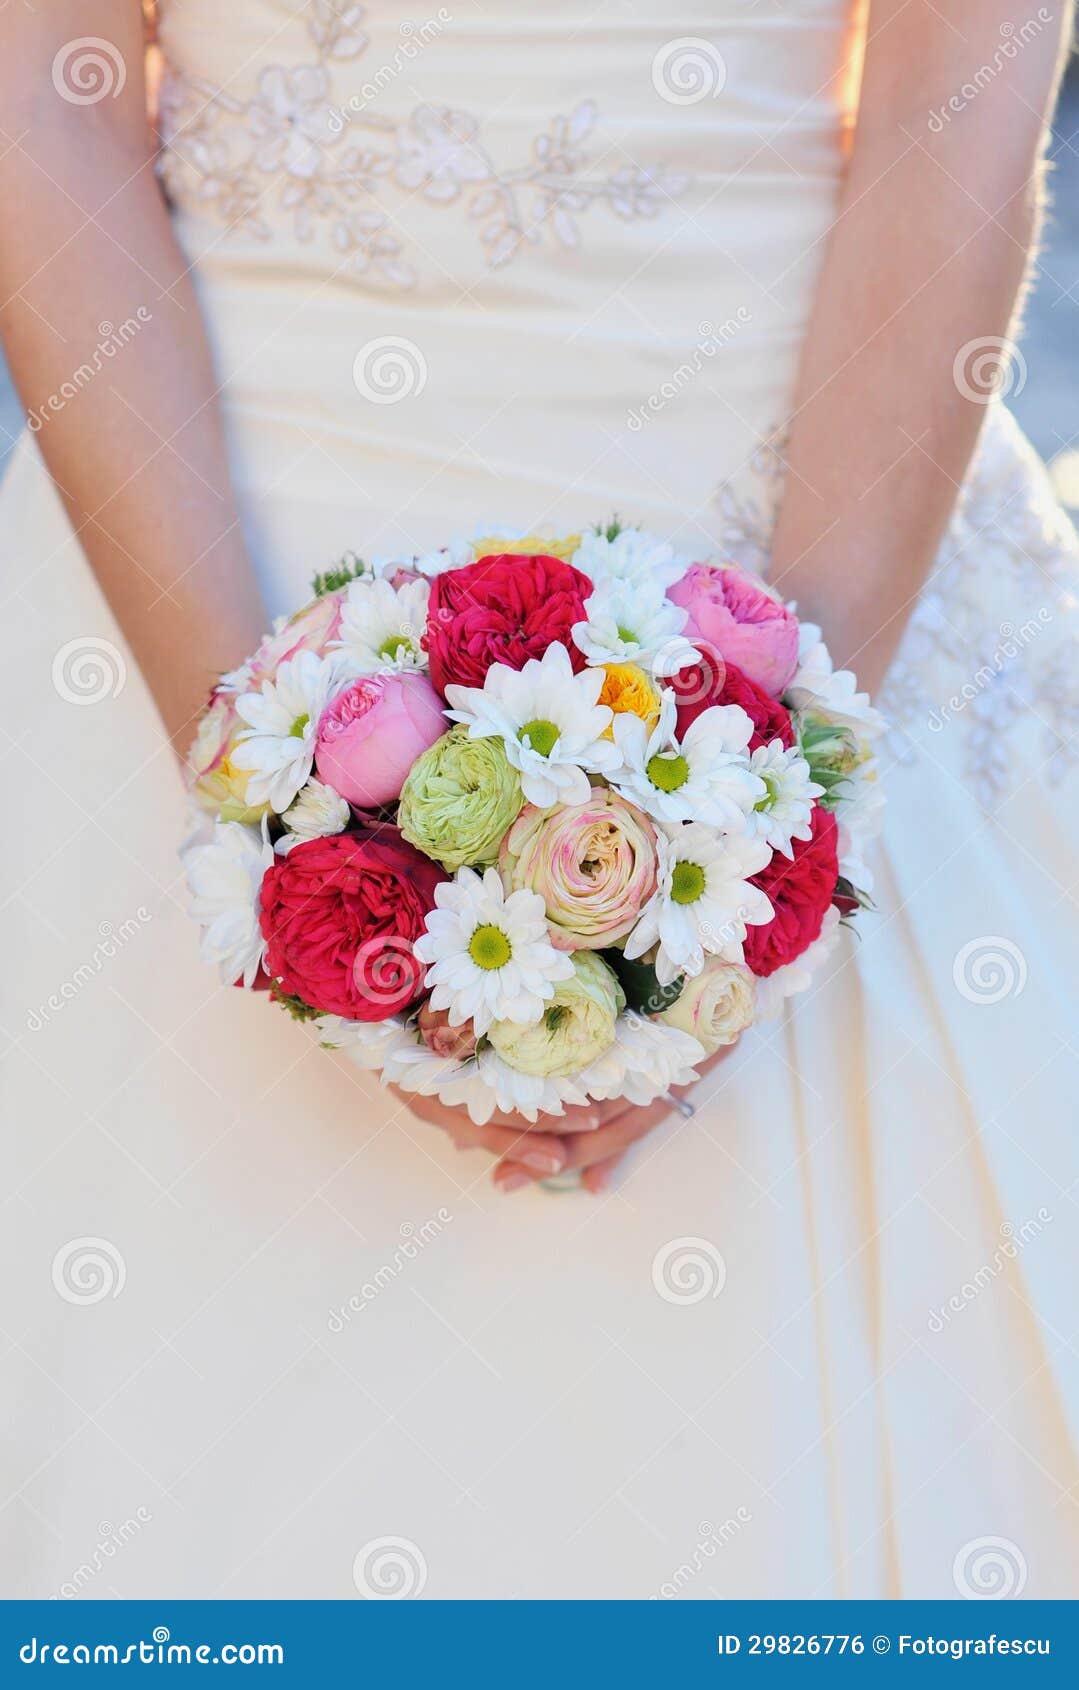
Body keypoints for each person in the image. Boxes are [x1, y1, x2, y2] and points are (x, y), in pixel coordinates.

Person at [1, 0, 1076, 1600]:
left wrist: (768, 804)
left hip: (813, 534)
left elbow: (962, 92)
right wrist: (262, 807)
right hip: (204, 538)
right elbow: (42, 88)